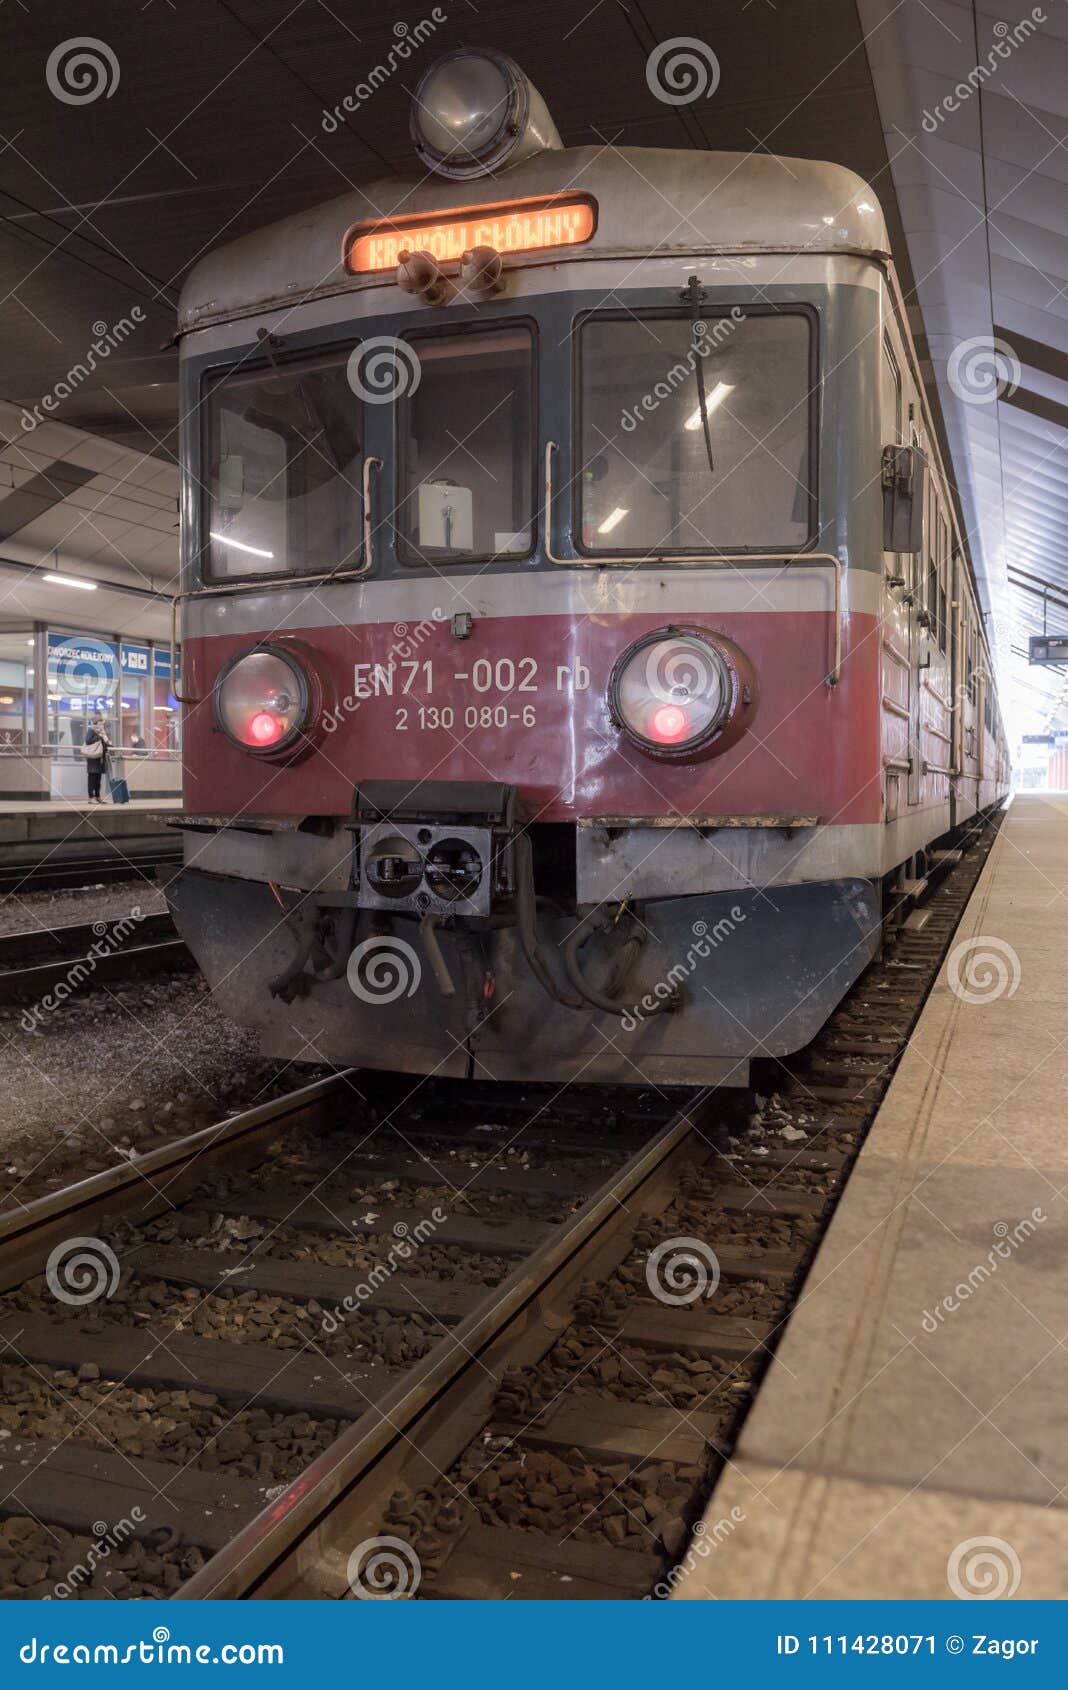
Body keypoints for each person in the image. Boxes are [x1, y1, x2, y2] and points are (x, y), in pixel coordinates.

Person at [83, 715, 112, 804]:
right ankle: (90, 797)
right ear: (96, 723)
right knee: (92, 778)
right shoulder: (91, 730)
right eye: (100, 723)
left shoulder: (102, 732)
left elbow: (104, 744)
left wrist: (108, 746)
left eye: (102, 724)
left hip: (100, 758)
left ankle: (98, 796)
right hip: (93, 757)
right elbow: (88, 741)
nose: (102, 726)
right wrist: (99, 736)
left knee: (98, 779)